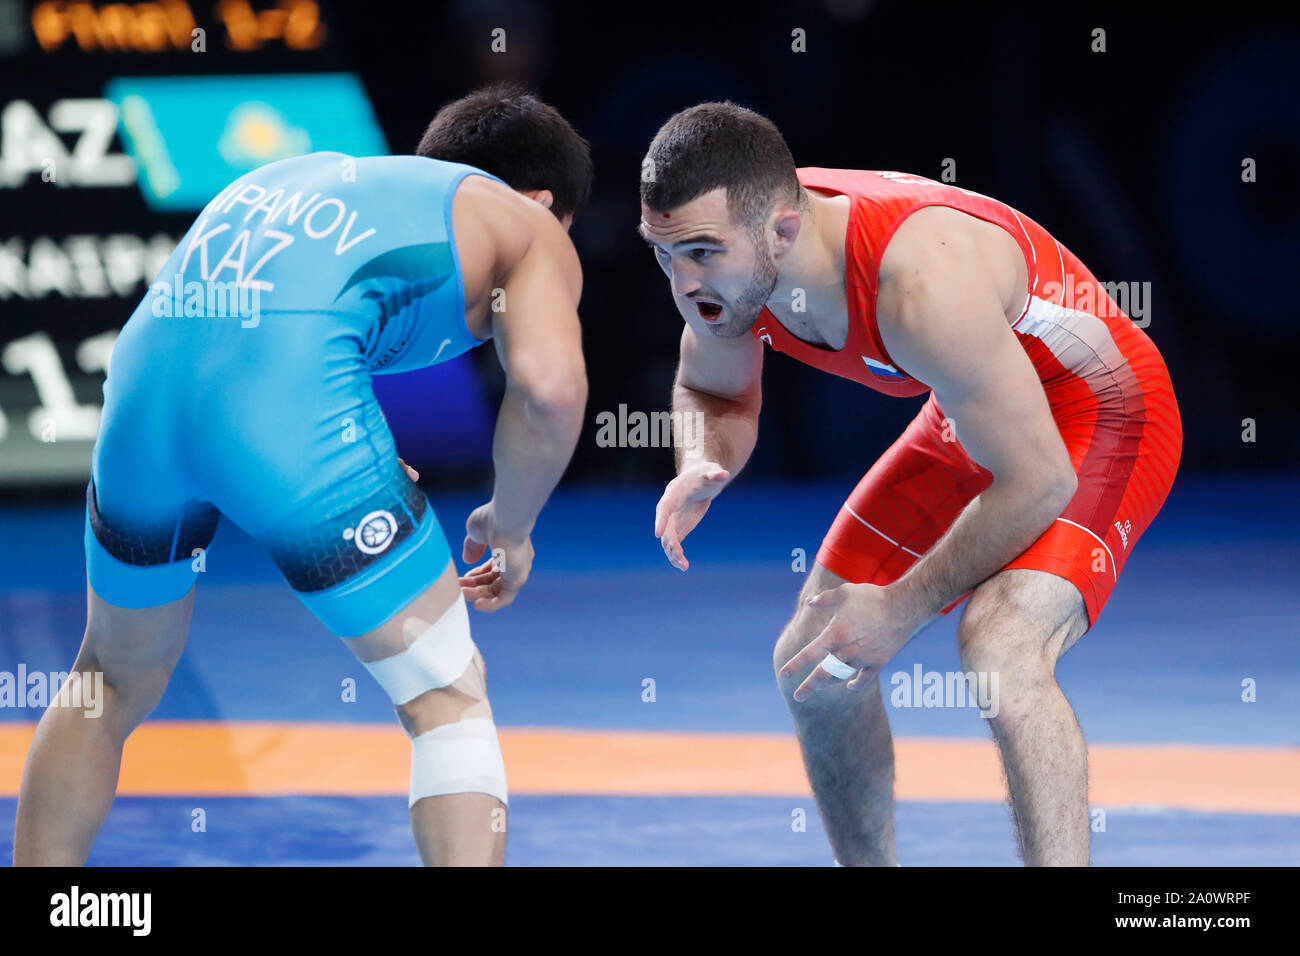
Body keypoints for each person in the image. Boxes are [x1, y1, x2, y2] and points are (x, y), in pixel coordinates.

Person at [14, 87, 591, 867]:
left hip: (141, 391)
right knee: (444, 695)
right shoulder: (525, 225)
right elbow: (551, 393)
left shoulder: (312, 178)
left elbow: (258, 325)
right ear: (544, 200)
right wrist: (512, 526)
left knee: (107, 680)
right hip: (280, 414)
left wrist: (350, 444)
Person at [642, 102, 1181, 866]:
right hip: (977, 410)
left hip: (1101, 415)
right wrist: (704, 457)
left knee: (1000, 647)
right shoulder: (735, 254)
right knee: (815, 665)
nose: (683, 281)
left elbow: (1036, 480)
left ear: (783, 233)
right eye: (663, 256)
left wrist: (897, 610)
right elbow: (717, 392)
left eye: (699, 253)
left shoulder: (919, 283)